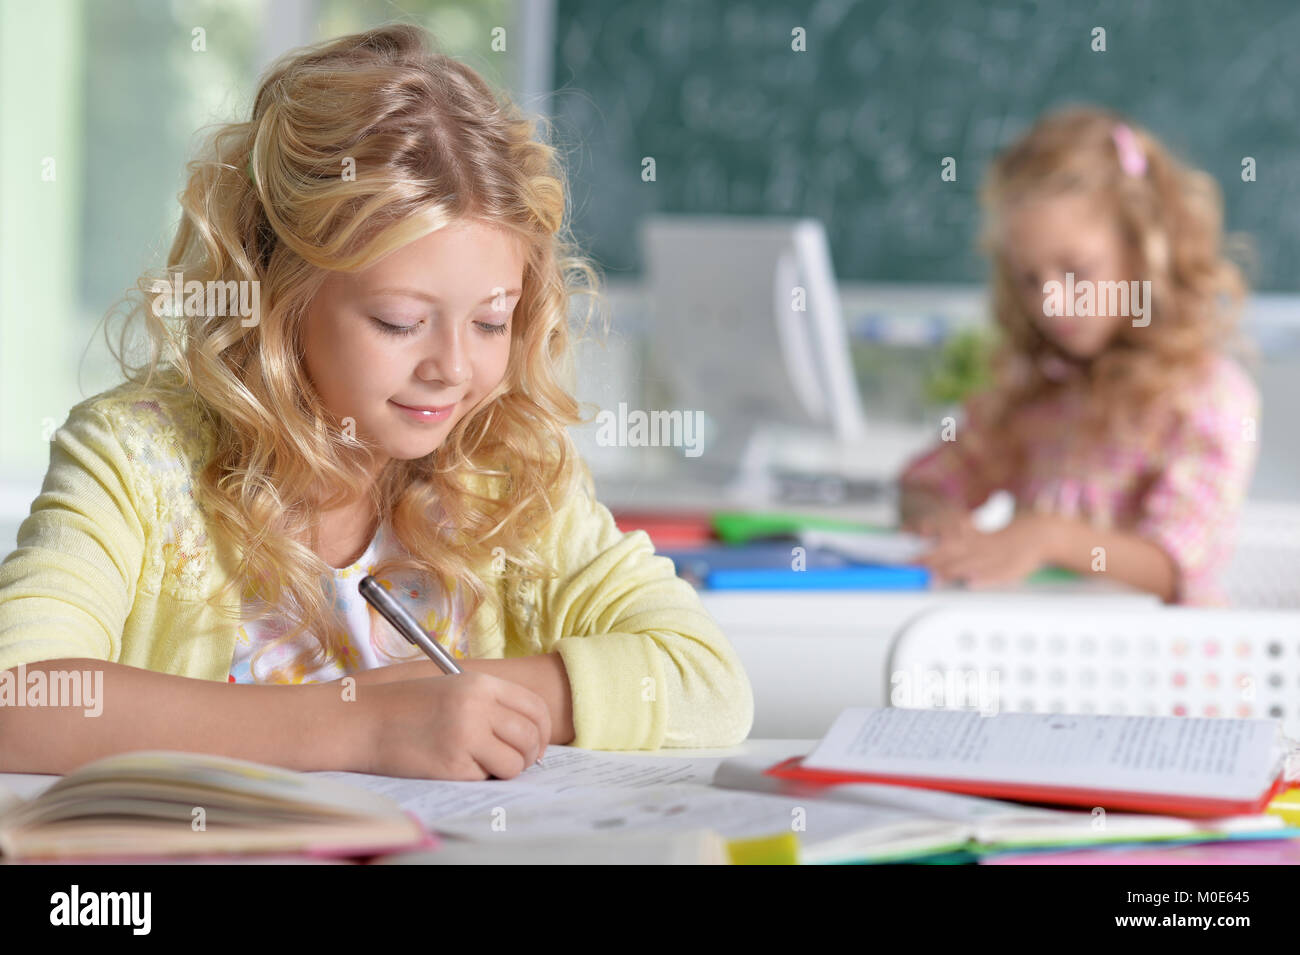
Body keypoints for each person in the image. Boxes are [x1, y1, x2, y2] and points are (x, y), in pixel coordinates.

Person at [0, 25, 753, 779]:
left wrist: (474, 699)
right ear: (278, 295)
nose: (453, 368)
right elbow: (20, 697)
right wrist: (359, 722)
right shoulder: (137, 459)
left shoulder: (508, 472)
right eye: (400, 322)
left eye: (492, 321)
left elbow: (708, 680)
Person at [899, 106, 1259, 605]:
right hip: (1044, 667)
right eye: (1030, 278)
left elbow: (1174, 568)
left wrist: (1048, 537)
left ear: (1142, 251)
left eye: (1075, 271)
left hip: (1163, 671)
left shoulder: (1207, 395)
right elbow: (927, 481)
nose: (1050, 302)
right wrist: (936, 516)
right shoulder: (1035, 394)